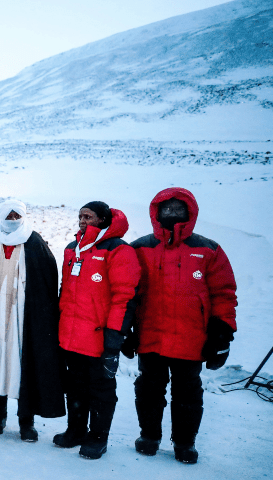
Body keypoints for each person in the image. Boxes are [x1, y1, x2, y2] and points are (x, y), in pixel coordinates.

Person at [127, 187, 237, 464]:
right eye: (167, 209)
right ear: (156, 213)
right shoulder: (140, 248)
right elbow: (127, 291)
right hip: (150, 335)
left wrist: (222, 332)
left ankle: (185, 443)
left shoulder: (208, 249)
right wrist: (123, 329)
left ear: (191, 213)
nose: (173, 214)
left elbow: (224, 293)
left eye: (179, 210)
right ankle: (149, 436)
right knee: (149, 390)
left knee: (188, 393)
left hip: (191, 339)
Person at [0, 200, 65, 441]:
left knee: (23, 364)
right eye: (9, 215)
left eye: (17, 214)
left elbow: (47, 282)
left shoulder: (36, 243)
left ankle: (26, 421)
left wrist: (42, 317)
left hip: (25, 319)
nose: (13, 219)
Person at [54, 201, 140, 460]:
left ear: (103, 220)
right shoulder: (73, 249)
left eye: (88, 217)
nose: (82, 220)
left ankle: (98, 437)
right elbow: (65, 291)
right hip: (71, 334)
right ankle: (76, 431)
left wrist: (115, 337)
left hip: (100, 336)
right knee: (75, 386)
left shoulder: (118, 250)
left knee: (101, 389)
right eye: (80, 216)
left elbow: (124, 296)